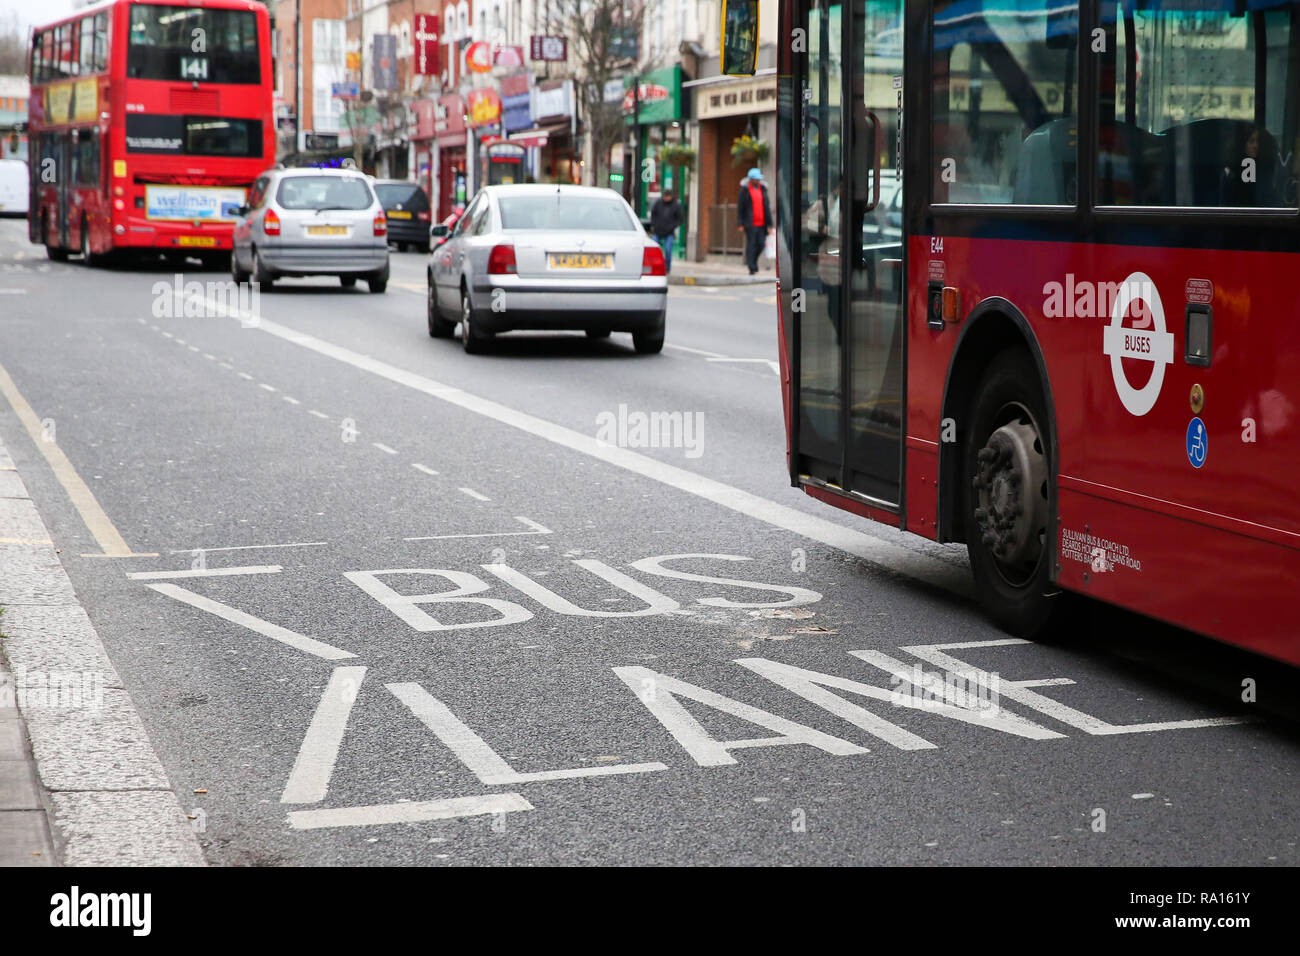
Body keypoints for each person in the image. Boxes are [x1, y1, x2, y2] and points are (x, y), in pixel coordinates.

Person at [737, 167, 773, 275]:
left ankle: (753, 261)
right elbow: (740, 208)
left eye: (759, 179)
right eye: (756, 179)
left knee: (761, 244)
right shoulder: (744, 191)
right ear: (751, 179)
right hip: (750, 224)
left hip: (762, 223)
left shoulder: (763, 189)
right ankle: (752, 267)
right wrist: (740, 223)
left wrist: (770, 224)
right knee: (751, 245)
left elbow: (767, 207)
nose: (758, 181)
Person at [649, 188, 684, 273]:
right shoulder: (658, 203)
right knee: (654, 249)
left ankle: (667, 268)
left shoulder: (676, 205)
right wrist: (655, 225)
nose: (665, 198)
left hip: (669, 232)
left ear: (670, 196)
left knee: (668, 250)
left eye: (667, 196)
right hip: (658, 231)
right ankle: (654, 266)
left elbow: (680, 219)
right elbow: (653, 214)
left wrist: (672, 226)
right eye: (664, 196)